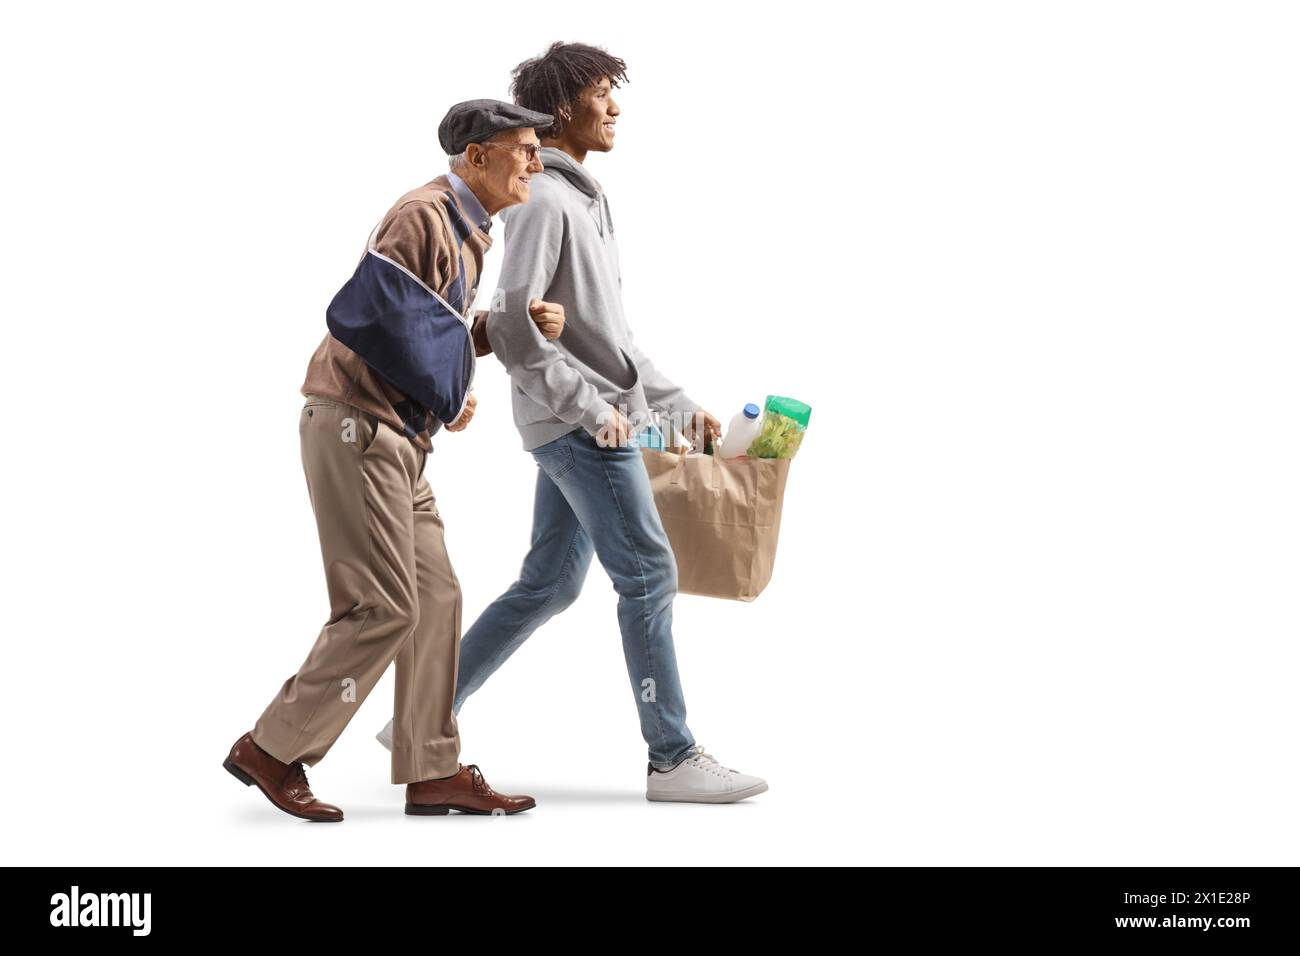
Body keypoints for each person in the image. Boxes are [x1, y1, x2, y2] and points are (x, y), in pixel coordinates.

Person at [376, 45, 768, 804]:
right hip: (583, 427)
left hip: (589, 418)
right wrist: (599, 415)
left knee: (549, 583)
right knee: (649, 573)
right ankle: (672, 758)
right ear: (562, 110)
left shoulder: (583, 199)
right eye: (600, 94)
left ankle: (423, 712)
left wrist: (678, 407)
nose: (614, 108)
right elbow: (519, 331)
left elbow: (606, 339)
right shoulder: (545, 202)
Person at [224, 99, 566, 820]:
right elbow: (370, 319)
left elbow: (424, 327)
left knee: (436, 597)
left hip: (398, 442)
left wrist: (499, 331)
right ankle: (272, 749)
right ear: (477, 158)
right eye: (525, 149)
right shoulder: (424, 213)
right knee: (380, 607)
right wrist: (448, 390)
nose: (536, 162)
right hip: (357, 429)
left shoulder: (472, 232)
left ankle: (431, 768)